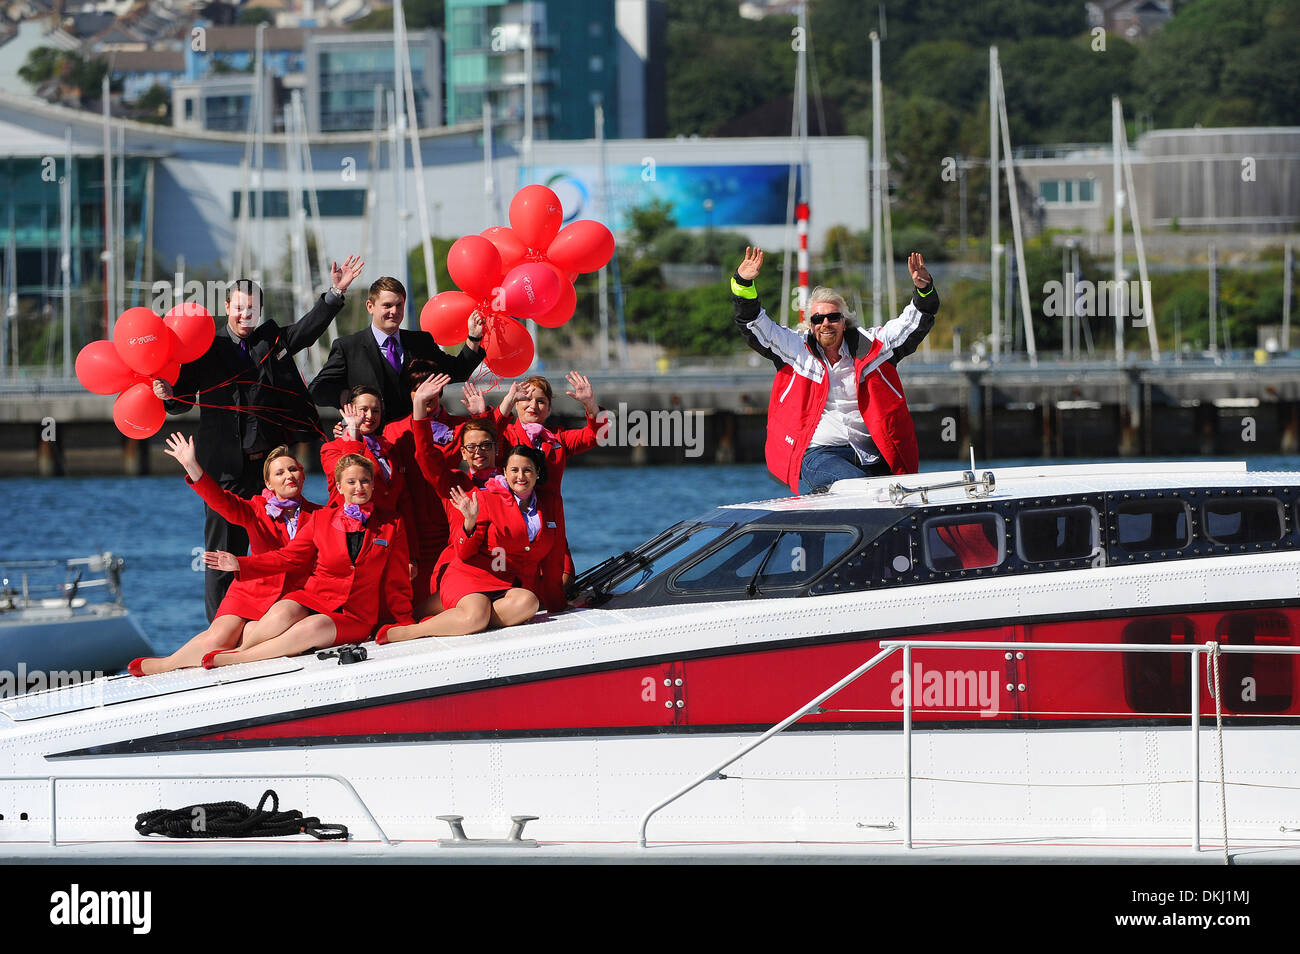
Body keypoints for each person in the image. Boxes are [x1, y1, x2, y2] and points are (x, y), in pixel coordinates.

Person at [154, 255, 365, 621]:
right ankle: (219, 625)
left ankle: (266, 617)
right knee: (223, 549)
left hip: (268, 469)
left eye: (251, 309)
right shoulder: (206, 347)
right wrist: (166, 392)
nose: (244, 316)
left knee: (272, 548)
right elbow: (180, 400)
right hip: (223, 469)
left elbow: (308, 328)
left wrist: (335, 292)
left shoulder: (272, 340)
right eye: (238, 308)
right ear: (227, 307)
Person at [731, 246, 938, 494]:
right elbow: (753, 324)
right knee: (862, 490)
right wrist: (743, 283)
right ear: (810, 324)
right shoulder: (795, 350)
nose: (825, 324)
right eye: (818, 319)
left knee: (899, 501)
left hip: (871, 453)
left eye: (833, 317)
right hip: (819, 453)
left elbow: (914, 321)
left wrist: (924, 289)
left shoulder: (874, 347)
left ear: (844, 321)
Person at [129, 434, 322, 676]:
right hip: (251, 590)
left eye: (293, 469)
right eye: (279, 473)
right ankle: (166, 664)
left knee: (281, 622)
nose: (288, 475)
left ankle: (237, 652)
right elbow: (221, 501)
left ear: (303, 474)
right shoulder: (256, 509)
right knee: (216, 638)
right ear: (269, 484)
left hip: (292, 596)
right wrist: (192, 466)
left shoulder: (320, 515)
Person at [202, 454, 412, 667]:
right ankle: (242, 649)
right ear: (339, 487)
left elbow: (397, 580)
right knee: (284, 609)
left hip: (355, 614)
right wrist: (242, 564)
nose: (359, 487)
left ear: (373, 485)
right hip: (317, 597)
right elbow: (288, 556)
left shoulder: (392, 524)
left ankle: (240, 657)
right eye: (351, 482)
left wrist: (406, 624)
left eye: (365, 481)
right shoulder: (322, 519)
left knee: (312, 627)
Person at [378, 444, 565, 643]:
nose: (521, 476)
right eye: (514, 470)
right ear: (504, 472)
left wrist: (559, 604)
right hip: (470, 576)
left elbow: (554, 558)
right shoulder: (486, 499)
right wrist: (469, 522)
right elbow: (464, 552)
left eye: (527, 470)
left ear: (537, 473)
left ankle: (458, 620)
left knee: (529, 603)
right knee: (474, 616)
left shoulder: (551, 503)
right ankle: (410, 631)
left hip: (506, 584)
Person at [478, 372, 604, 581]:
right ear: (518, 403)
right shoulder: (506, 436)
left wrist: (590, 404)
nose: (533, 406)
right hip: (512, 528)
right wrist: (508, 400)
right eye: (526, 399)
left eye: (541, 401)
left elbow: (598, 435)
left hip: (551, 525)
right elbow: (487, 434)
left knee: (564, 581)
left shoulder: (557, 439)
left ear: (549, 408)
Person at [309, 276, 486, 421]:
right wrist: (348, 398)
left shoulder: (421, 341)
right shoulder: (348, 347)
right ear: (370, 307)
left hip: (416, 439)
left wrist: (474, 337)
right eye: (387, 305)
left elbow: (457, 372)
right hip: (373, 441)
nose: (394, 311)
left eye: (399, 305)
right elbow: (318, 389)